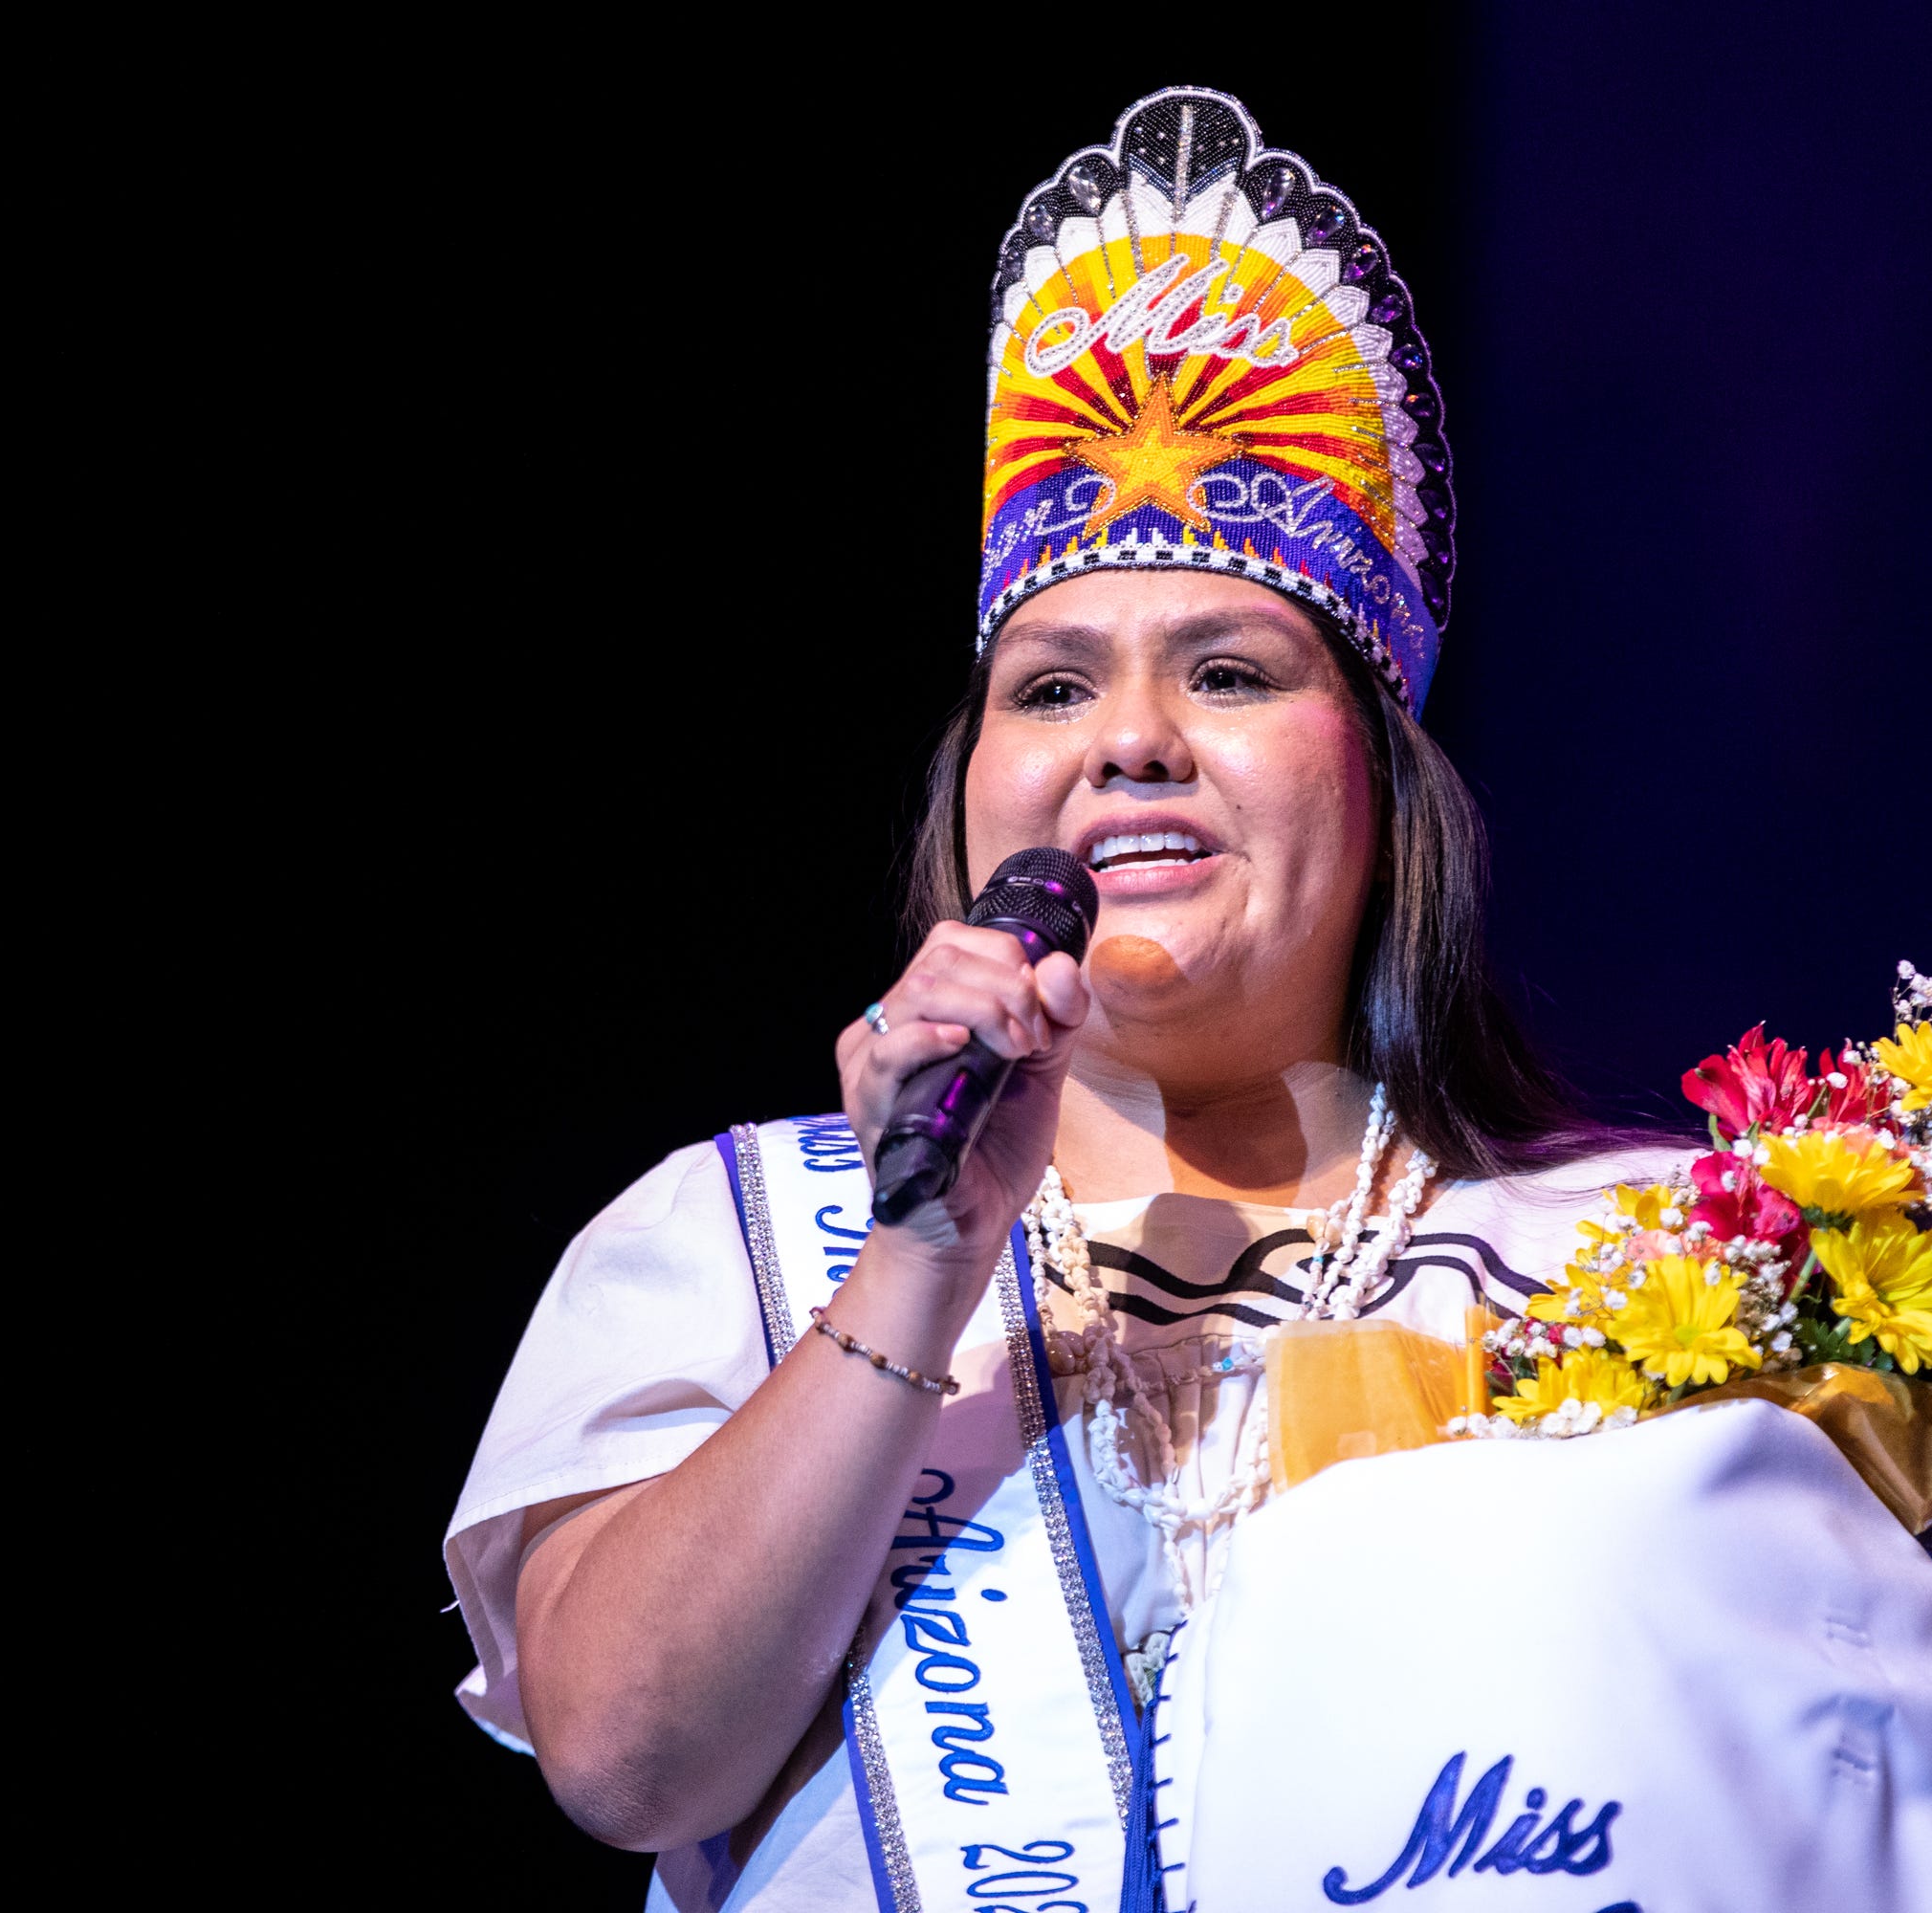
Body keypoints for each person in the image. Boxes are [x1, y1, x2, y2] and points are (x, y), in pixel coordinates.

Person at [444, 90, 1703, 1910]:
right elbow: (628, 1759)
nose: (1128, 742)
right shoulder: (731, 1238)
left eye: (1228, 668)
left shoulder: (1649, 1249)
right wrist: (923, 1252)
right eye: (1047, 691)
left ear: (1378, 778)